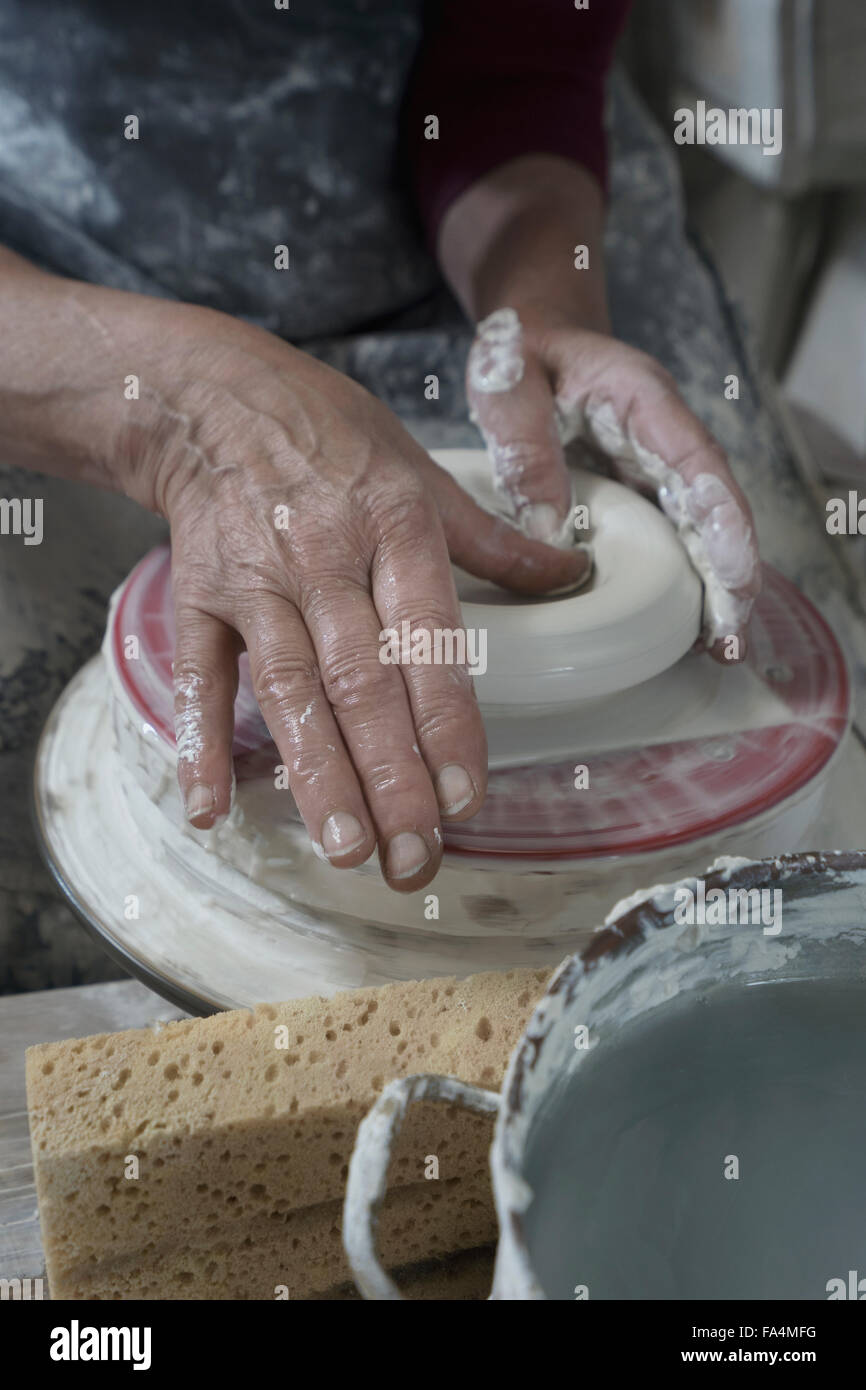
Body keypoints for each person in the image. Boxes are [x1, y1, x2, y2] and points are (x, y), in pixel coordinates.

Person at [0, 0, 759, 895]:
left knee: (747, 607)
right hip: (53, 264)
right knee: (82, 802)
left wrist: (541, 314)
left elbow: (515, 73)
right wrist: (188, 413)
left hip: (475, 202)